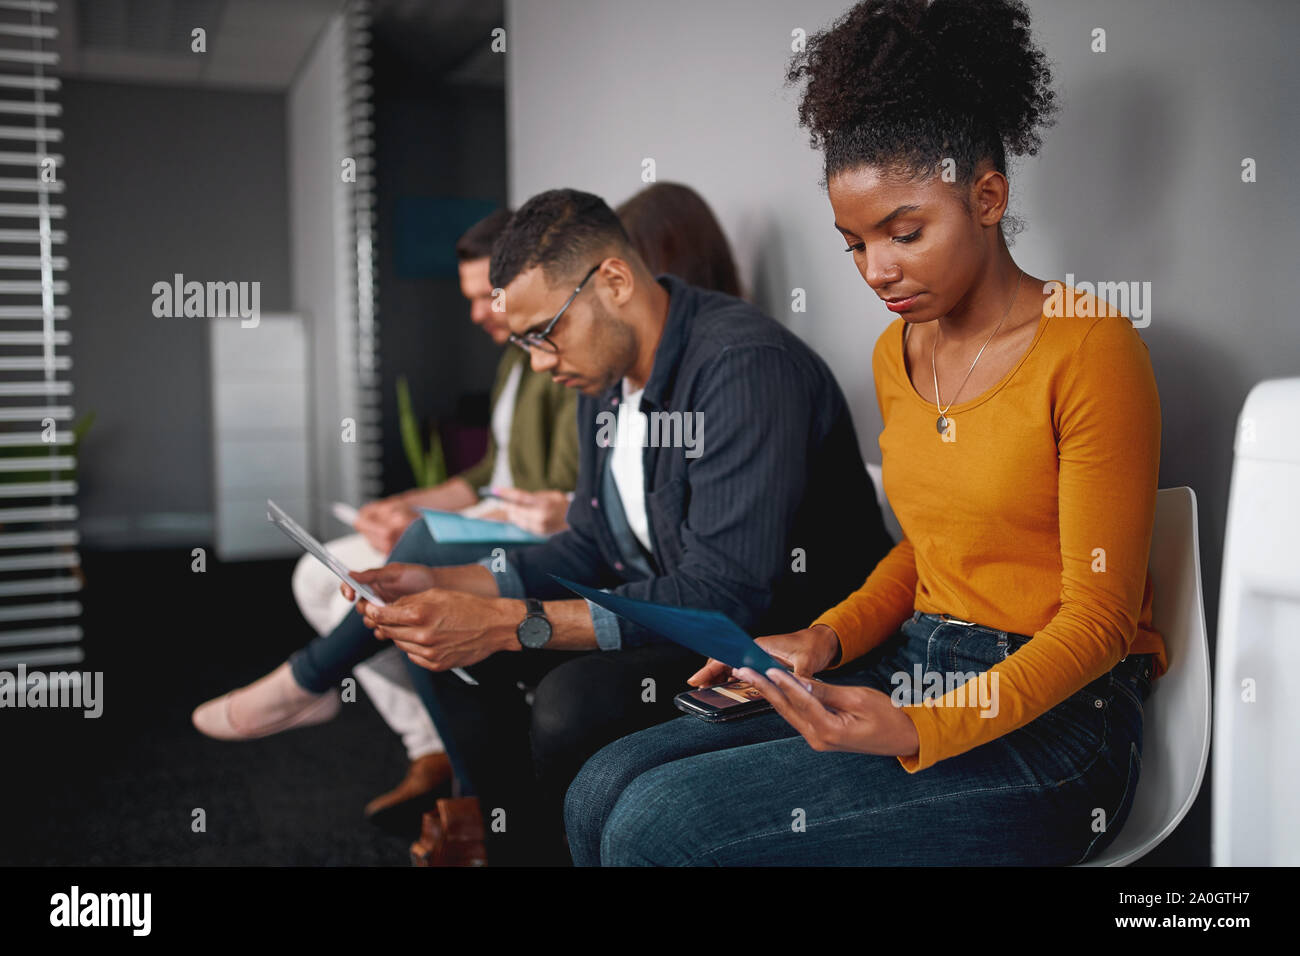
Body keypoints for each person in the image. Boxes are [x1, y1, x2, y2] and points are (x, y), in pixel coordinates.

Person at [565, 0, 1166, 867]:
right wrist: (827, 637)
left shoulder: (1091, 346)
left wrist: (925, 724)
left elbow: (1101, 622)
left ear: (987, 196)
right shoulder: (899, 351)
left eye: (905, 232)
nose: (877, 269)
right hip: (916, 655)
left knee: (658, 826)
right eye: (854, 244)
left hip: (1062, 725)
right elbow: (927, 552)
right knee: (602, 785)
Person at [344, 187, 894, 865]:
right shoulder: (604, 378)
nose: (540, 362)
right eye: (525, 342)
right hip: (691, 606)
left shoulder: (742, 366)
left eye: (546, 333)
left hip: (786, 632)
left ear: (612, 280)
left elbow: (727, 593)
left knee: (570, 702)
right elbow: (591, 541)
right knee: (435, 637)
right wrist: (440, 579)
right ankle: (516, 844)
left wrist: (508, 620)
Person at [193, 209, 579, 835]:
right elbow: (485, 472)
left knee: (395, 573)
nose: (478, 313)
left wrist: (423, 522)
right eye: (473, 297)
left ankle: (317, 683)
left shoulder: (556, 357)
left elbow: (548, 491)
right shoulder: (515, 360)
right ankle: (425, 744)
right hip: (501, 512)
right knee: (325, 576)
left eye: (490, 296)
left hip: (535, 527)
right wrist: (406, 503)